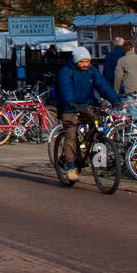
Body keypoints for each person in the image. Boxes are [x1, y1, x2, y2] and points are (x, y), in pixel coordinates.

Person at [55, 46, 118, 182]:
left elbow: (102, 85)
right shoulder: (66, 72)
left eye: (87, 61)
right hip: (69, 108)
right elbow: (66, 89)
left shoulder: (91, 71)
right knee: (71, 134)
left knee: (98, 128)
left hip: (86, 105)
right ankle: (71, 167)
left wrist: (114, 99)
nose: (85, 64)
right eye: (82, 62)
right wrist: (70, 102)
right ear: (76, 60)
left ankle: (97, 162)